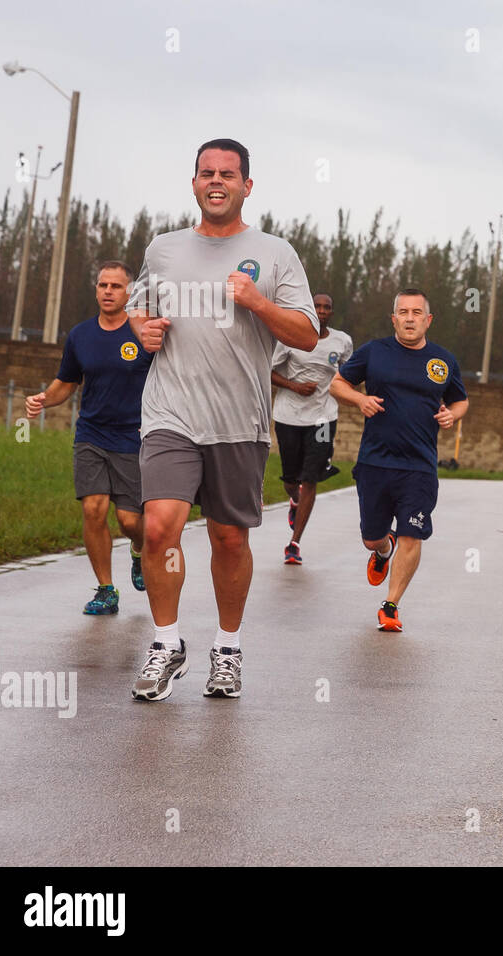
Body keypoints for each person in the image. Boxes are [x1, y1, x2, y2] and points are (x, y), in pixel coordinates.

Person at [126, 138, 319, 701]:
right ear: (193, 183)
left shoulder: (275, 252)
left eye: (228, 174)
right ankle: (166, 644)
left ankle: (227, 649)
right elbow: (137, 303)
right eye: (206, 172)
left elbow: (307, 335)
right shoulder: (163, 248)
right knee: (160, 525)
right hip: (170, 411)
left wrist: (258, 302)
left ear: (246, 186)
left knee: (228, 537)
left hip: (240, 420)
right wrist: (141, 327)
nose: (217, 181)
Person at [328, 289, 468, 632]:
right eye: (403, 312)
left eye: (417, 312)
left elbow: (461, 400)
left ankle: (390, 605)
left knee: (412, 534)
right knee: (371, 537)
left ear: (428, 319)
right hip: (376, 461)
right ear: (393, 318)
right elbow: (337, 384)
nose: (409, 318)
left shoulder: (443, 361)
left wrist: (452, 414)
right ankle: (382, 548)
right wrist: (359, 400)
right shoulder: (374, 352)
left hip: (420, 466)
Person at [25, 261, 151, 614]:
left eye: (116, 286)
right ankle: (107, 590)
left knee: (129, 521)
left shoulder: (143, 333)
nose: (108, 291)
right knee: (93, 509)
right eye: (102, 285)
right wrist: (42, 400)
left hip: (133, 436)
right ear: (96, 290)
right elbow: (66, 382)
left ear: (130, 292)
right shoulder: (80, 335)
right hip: (91, 434)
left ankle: (138, 553)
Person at [271, 292, 354, 565]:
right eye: (316, 306)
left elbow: (349, 375)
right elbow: (267, 371)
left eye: (326, 307)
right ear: (308, 307)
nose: (321, 310)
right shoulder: (290, 337)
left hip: (322, 417)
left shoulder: (342, 341)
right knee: (290, 481)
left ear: (331, 312)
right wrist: (295, 386)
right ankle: (294, 501)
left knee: (311, 478)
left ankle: (293, 543)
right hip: (288, 416)